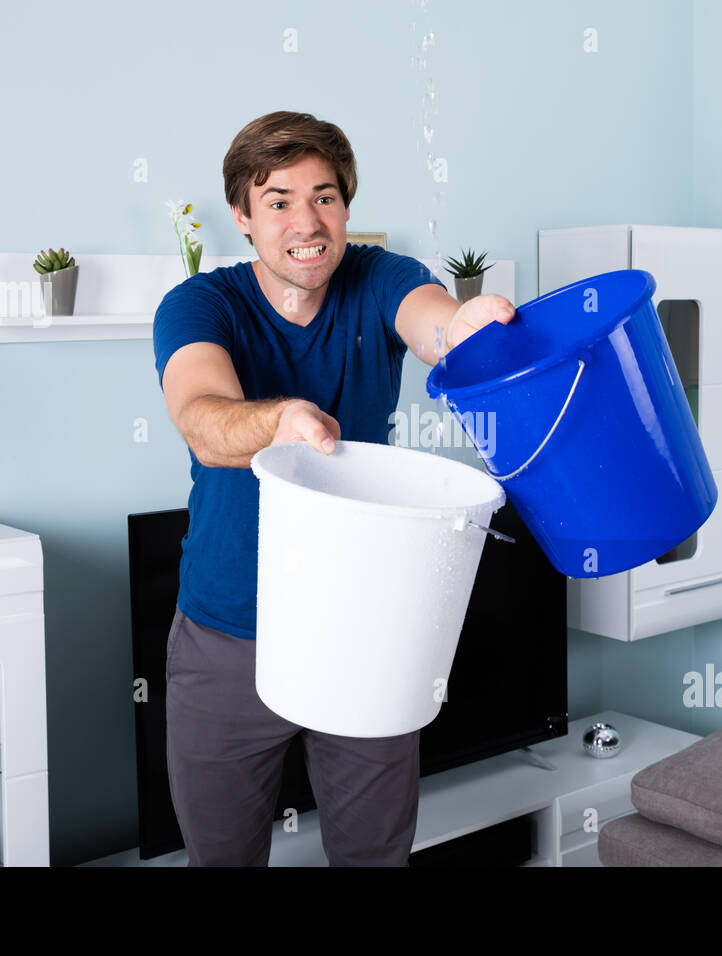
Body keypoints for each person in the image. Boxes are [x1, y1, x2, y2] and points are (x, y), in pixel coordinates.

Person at [152, 111, 514, 866]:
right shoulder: (200, 305)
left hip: (368, 632)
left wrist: (466, 332)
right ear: (243, 217)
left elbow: (433, 324)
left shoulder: (382, 278)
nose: (306, 221)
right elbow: (202, 420)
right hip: (226, 636)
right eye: (278, 200)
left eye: (325, 196)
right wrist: (279, 418)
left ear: (347, 206)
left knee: (374, 858)